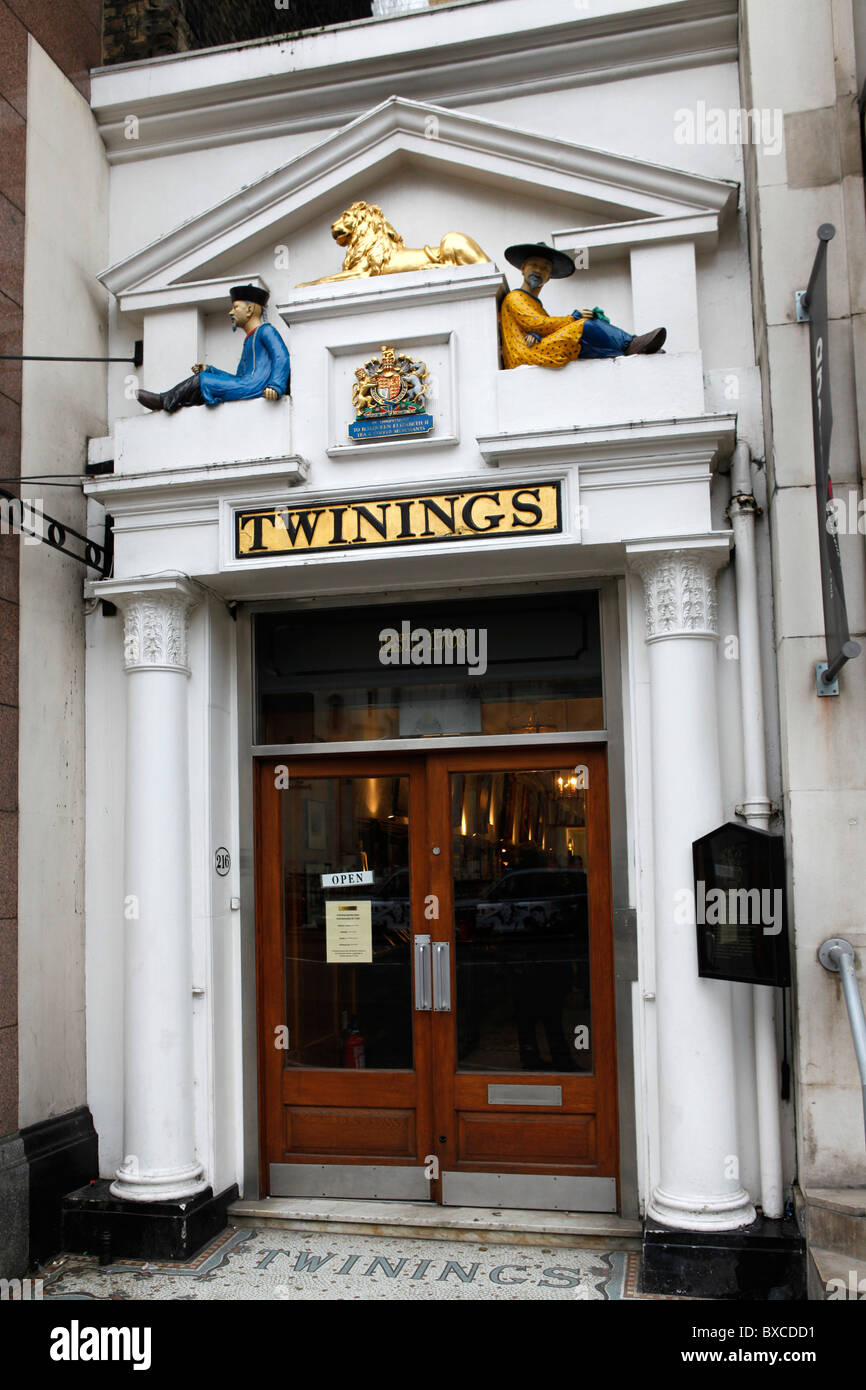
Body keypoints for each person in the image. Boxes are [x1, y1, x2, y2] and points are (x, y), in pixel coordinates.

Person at [500, 242, 666, 370]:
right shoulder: (515, 297)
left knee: (585, 339)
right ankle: (631, 344)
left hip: (535, 348)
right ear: (523, 268)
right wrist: (572, 318)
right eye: (534, 265)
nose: (539, 270)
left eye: (545, 268)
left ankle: (631, 350)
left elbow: (539, 327)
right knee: (584, 326)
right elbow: (536, 323)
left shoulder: (535, 304)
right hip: (524, 355)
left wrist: (536, 335)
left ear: (549, 276)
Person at [136, 284, 291, 412]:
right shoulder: (249, 339)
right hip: (247, 384)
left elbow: (281, 357)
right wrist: (211, 370)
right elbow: (238, 378)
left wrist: (276, 385)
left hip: (255, 386)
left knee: (204, 380)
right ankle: (174, 402)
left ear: (249, 310)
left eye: (236, 307)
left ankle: (165, 401)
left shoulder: (266, 331)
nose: (231, 312)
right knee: (206, 376)